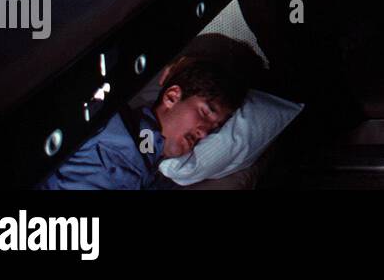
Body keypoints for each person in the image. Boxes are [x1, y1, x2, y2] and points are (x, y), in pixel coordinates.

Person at [38, 56, 248, 190]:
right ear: (172, 97)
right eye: (205, 113)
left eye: (215, 127)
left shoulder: (157, 169)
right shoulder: (106, 125)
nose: (205, 133)